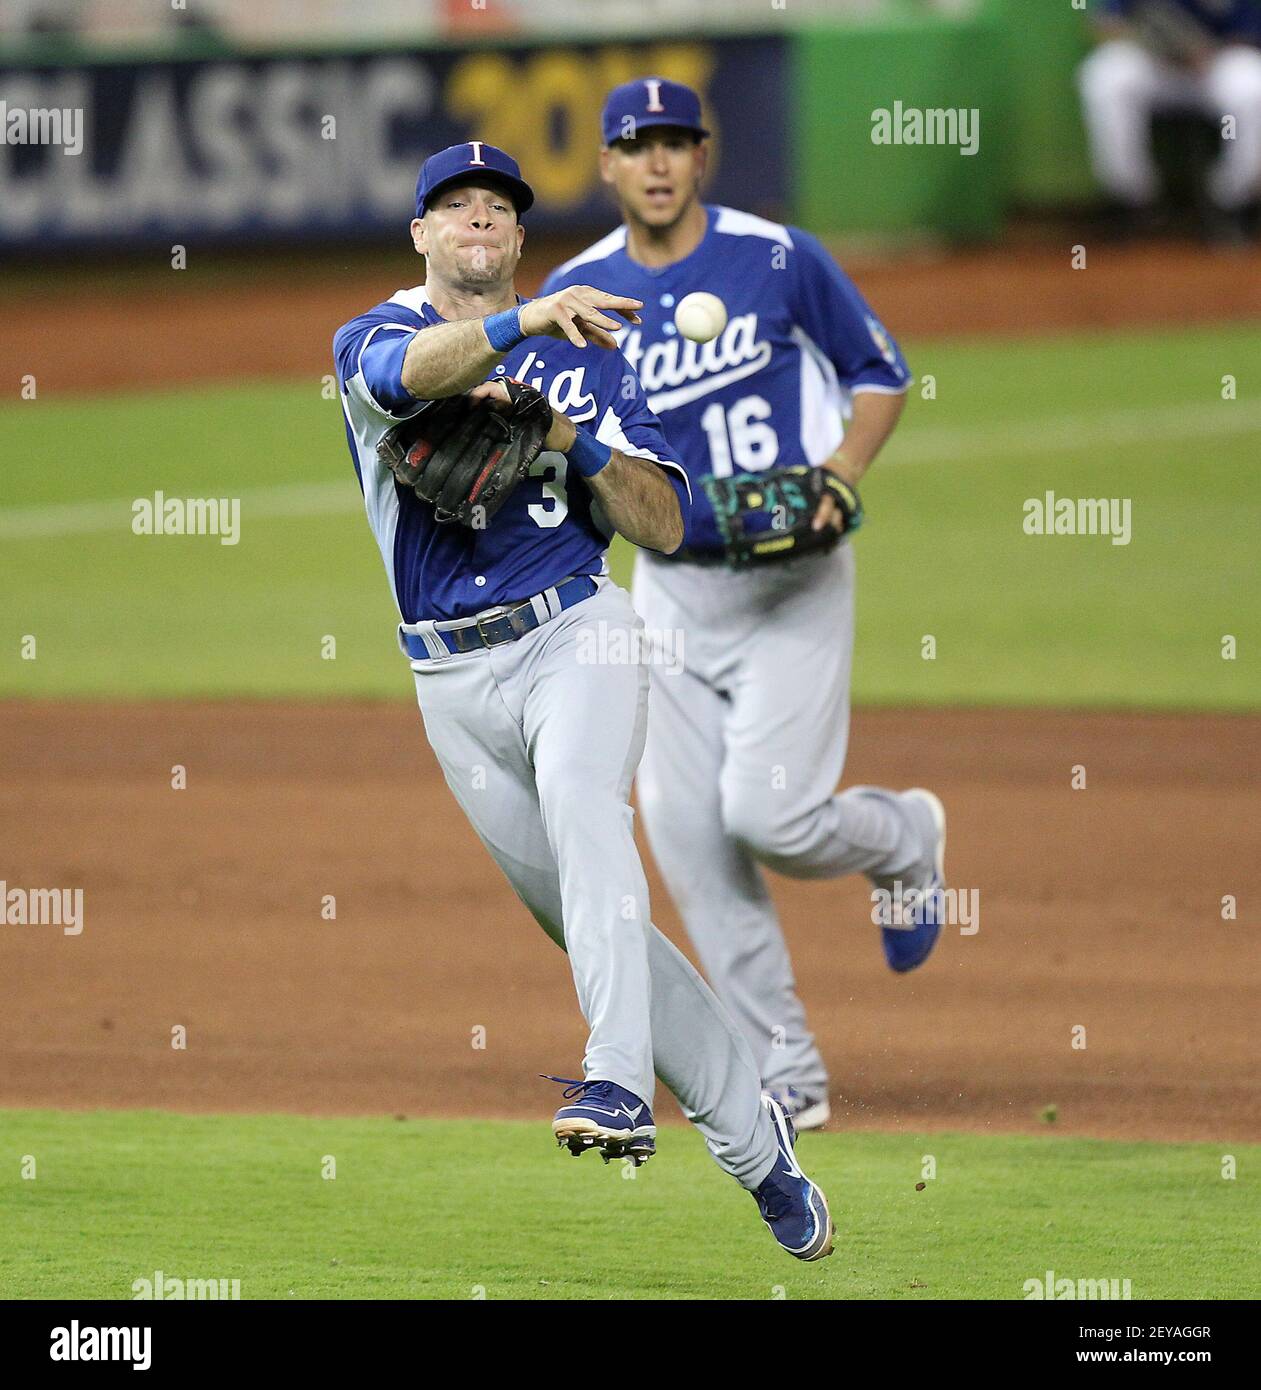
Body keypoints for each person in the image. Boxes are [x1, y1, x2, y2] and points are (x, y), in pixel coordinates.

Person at [332, 140, 834, 1260]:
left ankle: (616, 1084)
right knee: (599, 922)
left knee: (583, 802)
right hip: (447, 680)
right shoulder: (371, 335)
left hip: (579, 628)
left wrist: (570, 433)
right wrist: (523, 328)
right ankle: (761, 1154)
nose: (475, 221)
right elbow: (404, 383)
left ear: (517, 236)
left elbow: (663, 524)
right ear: (420, 234)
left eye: (496, 210)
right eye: (452, 207)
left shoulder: (605, 355)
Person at [541, 81, 948, 1135]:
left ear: (703, 156)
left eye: (677, 143)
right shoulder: (579, 289)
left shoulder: (778, 256)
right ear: (609, 167)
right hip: (672, 590)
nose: (659, 162)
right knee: (686, 834)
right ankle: (790, 1073)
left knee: (770, 817)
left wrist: (845, 470)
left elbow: (880, 369)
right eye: (638, 146)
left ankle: (902, 836)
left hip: (792, 584)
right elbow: (560, 431)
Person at [1078, 0, 1261, 242]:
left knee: (1252, 86)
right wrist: (1163, 44)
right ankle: (1134, 201)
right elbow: (1104, 26)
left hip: (1215, 63)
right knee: (1105, 76)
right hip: (1153, 62)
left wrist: (1201, 49)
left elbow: (1249, 35)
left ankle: (1232, 203)